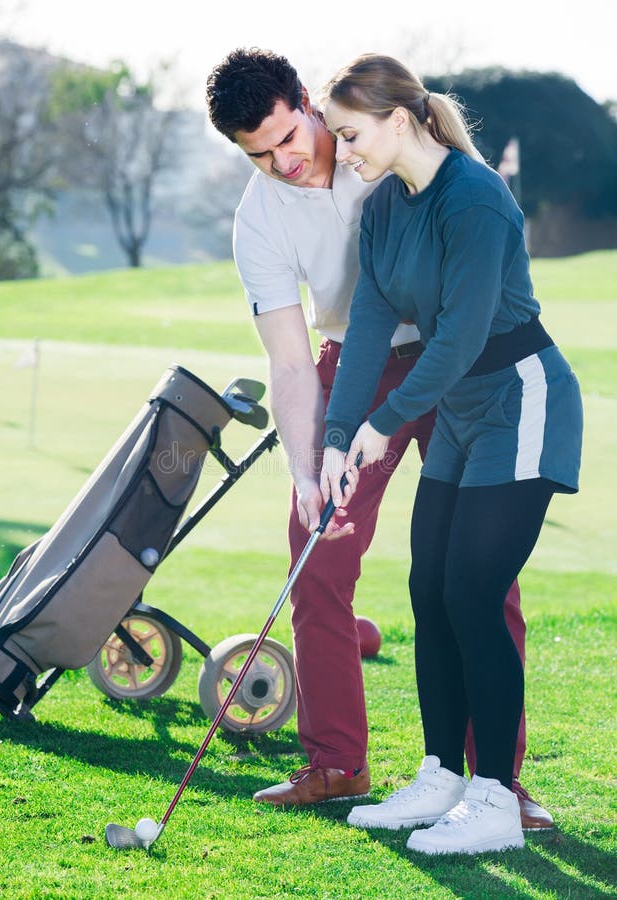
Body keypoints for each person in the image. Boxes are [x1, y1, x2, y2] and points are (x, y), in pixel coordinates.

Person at [205, 48, 552, 830]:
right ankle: (336, 762)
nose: (283, 161)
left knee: (480, 567)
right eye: (257, 154)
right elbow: (292, 360)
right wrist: (306, 469)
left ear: (306, 103)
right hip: (355, 367)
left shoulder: (382, 144)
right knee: (316, 552)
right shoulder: (258, 218)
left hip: (458, 364)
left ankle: (498, 781)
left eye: (289, 137)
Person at [319, 54, 582, 855]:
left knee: (473, 592)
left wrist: (385, 422)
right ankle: (440, 775)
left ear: (399, 121)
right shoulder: (384, 208)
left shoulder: (476, 198)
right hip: (462, 410)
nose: (345, 150)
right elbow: (367, 328)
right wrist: (338, 437)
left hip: (521, 399)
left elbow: (463, 334)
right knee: (428, 589)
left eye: (351, 133)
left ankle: (496, 797)